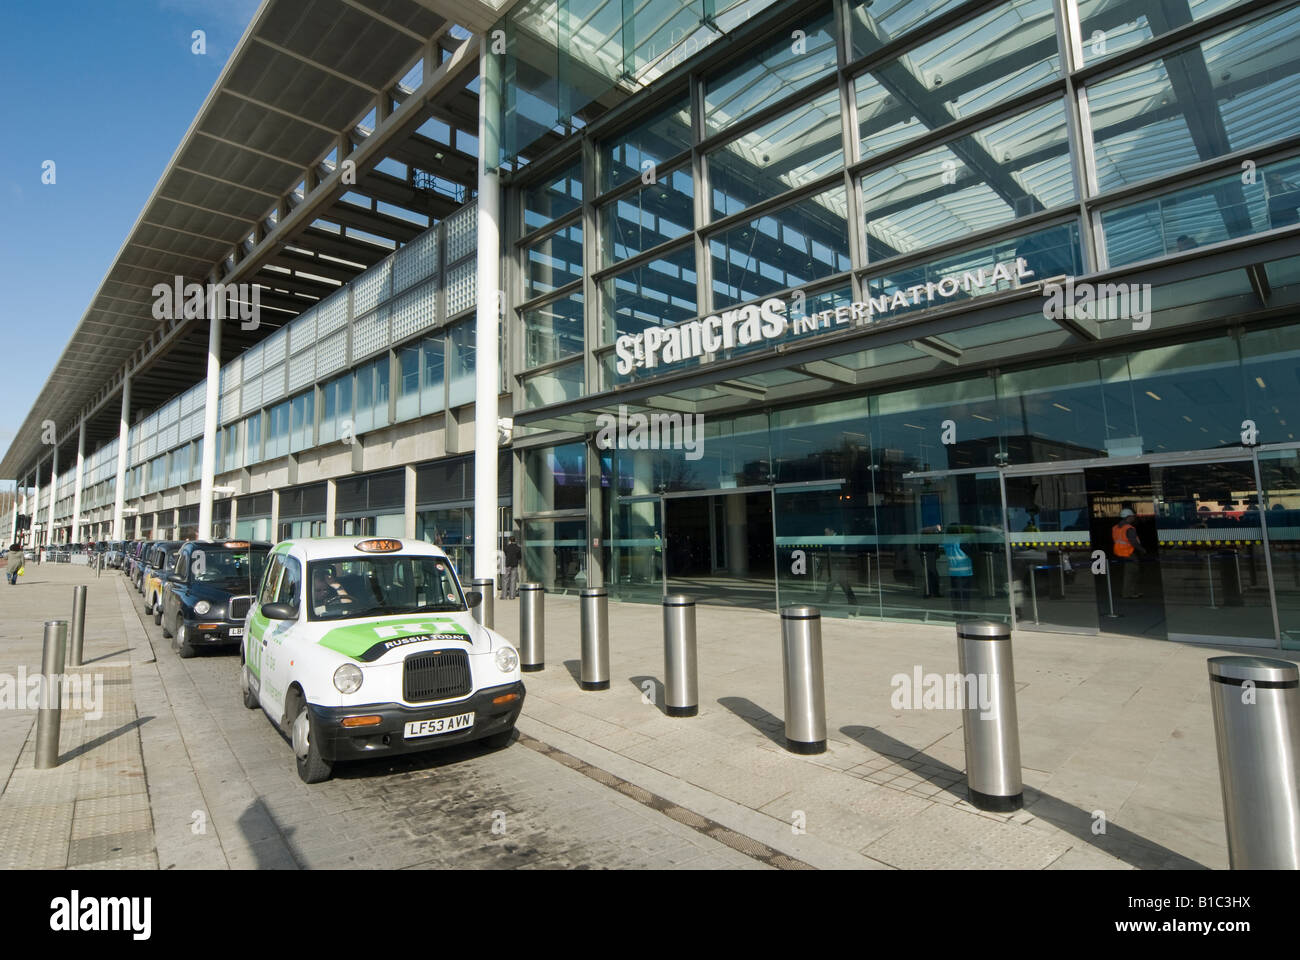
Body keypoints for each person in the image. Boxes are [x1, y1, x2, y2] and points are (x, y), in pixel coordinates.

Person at [1112, 507, 1145, 599]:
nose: (1134, 518)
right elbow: (1133, 542)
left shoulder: (1115, 527)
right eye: (1132, 516)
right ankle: (1128, 593)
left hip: (1119, 552)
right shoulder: (1129, 528)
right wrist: (1142, 550)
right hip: (1129, 553)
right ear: (1128, 517)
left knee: (1129, 573)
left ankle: (1133, 591)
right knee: (1132, 573)